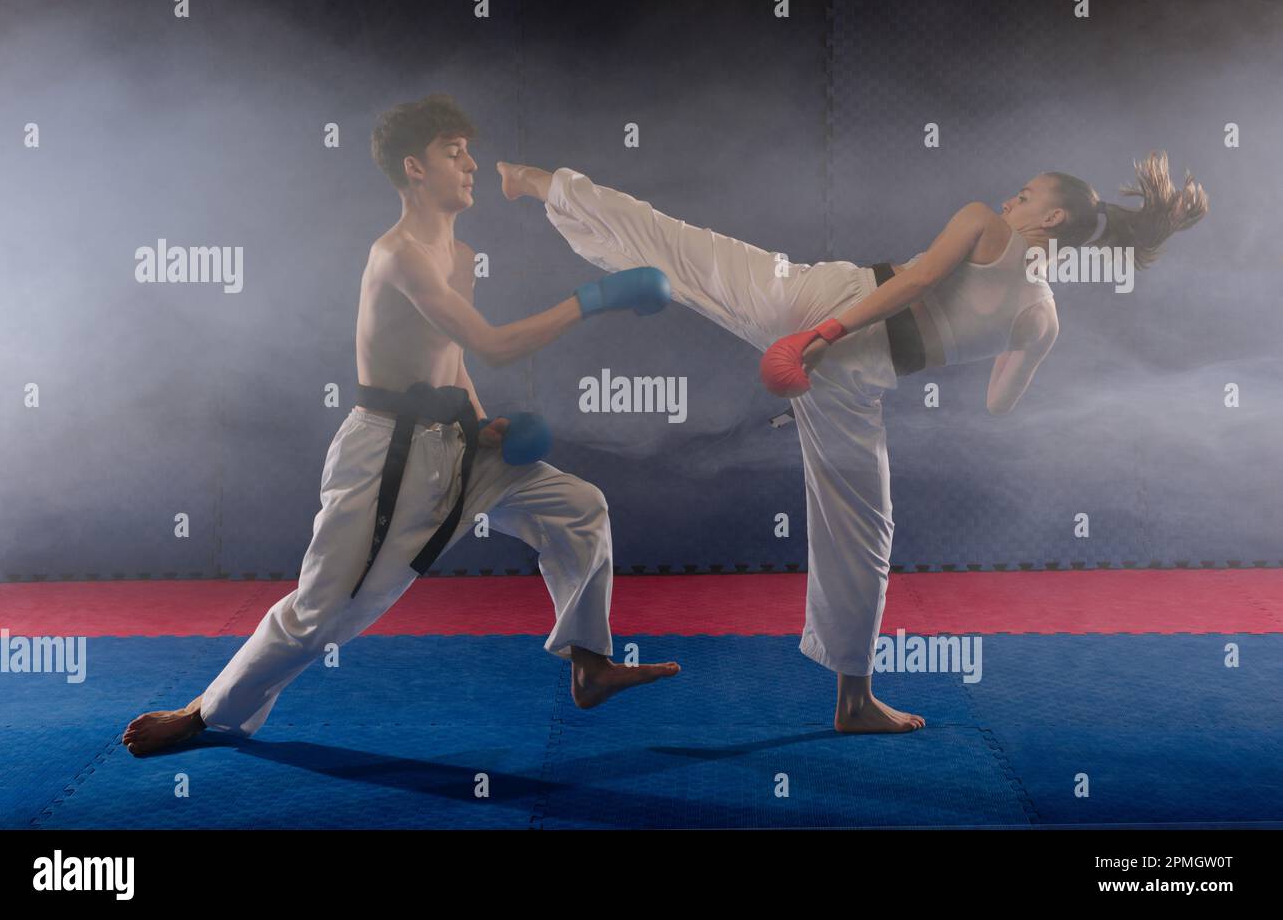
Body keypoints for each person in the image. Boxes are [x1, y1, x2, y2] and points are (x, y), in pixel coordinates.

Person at [498, 151, 1207, 733]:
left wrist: (817, 336)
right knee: (863, 531)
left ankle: (535, 181)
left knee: (679, 248)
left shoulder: (985, 224)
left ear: (1050, 215)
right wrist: (1000, 341)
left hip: (825, 313)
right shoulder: (1044, 319)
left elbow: (921, 279)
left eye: (1025, 194)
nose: (1009, 197)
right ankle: (855, 699)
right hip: (855, 374)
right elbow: (997, 403)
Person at [122, 95, 679, 757]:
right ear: (415, 167)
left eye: (469, 149)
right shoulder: (399, 254)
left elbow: (455, 356)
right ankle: (207, 712)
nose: (470, 163)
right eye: (455, 151)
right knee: (324, 612)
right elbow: (496, 344)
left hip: (459, 447)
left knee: (579, 506)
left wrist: (480, 424)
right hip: (385, 455)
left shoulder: (461, 253)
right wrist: (600, 296)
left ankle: (589, 663)